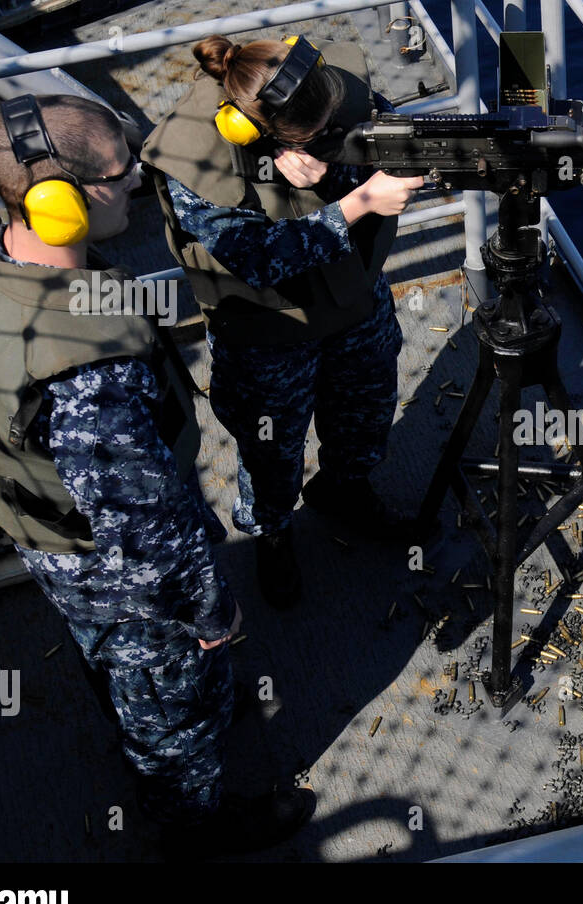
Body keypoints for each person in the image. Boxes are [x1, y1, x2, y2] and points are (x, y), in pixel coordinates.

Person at [0, 93, 312, 858]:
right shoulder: (87, 374)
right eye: (116, 172)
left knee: (106, 660)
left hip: (43, 536)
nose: (136, 179)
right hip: (124, 579)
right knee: (173, 716)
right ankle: (194, 823)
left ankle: (145, 710)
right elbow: (141, 536)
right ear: (60, 202)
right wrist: (210, 612)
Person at [141, 33, 424, 608]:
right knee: (270, 449)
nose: (327, 130)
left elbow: (393, 148)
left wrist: (335, 179)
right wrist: (359, 203)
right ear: (256, 128)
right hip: (266, 332)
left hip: (353, 301)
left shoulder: (333, 89)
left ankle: (345, 490)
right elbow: (258, 259)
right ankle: (272, 533)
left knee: (364, 413)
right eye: (309, 130)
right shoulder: (189, 150)